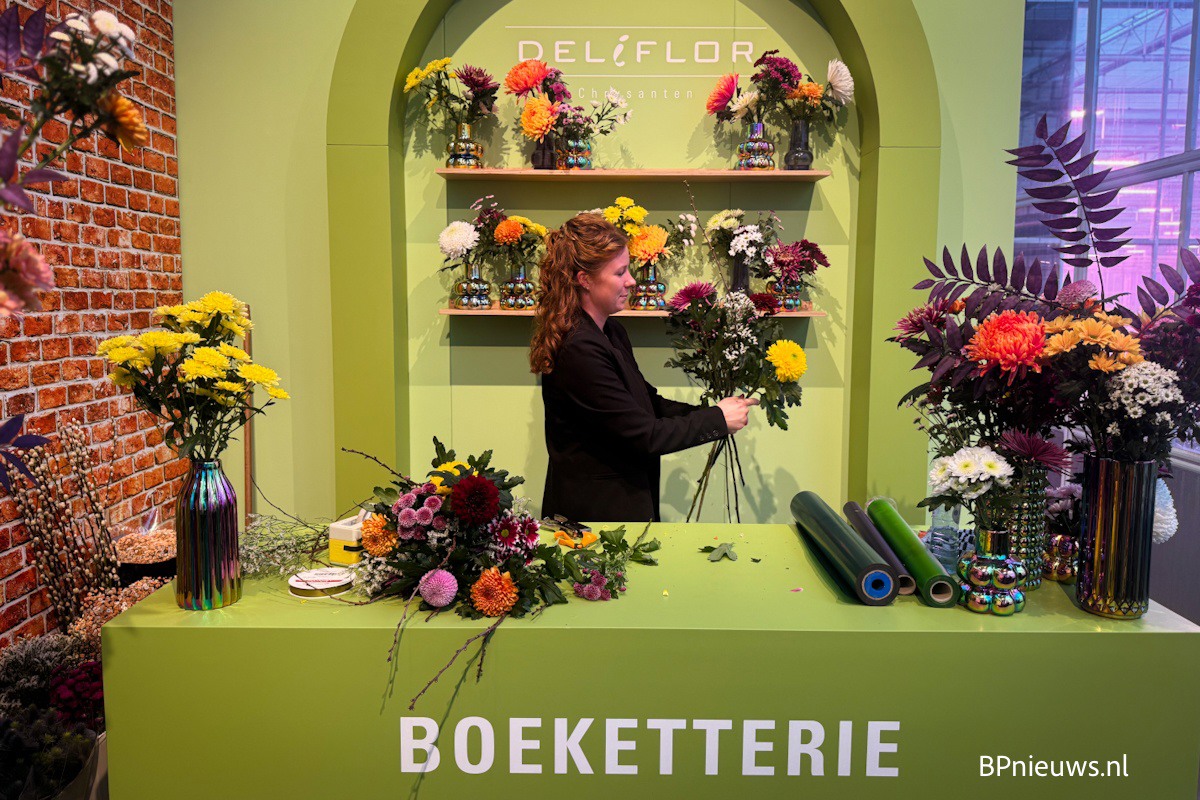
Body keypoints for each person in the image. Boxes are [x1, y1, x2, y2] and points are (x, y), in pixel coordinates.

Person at [530, 212, 759, 523]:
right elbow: (644, 436)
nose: (632, 281)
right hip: (595, 518)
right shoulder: (578, 349)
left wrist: (714, 411)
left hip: (623, 504)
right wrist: (716, 420)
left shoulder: (611, 332)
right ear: (584, 280)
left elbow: (647, 404)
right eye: (620, 272)